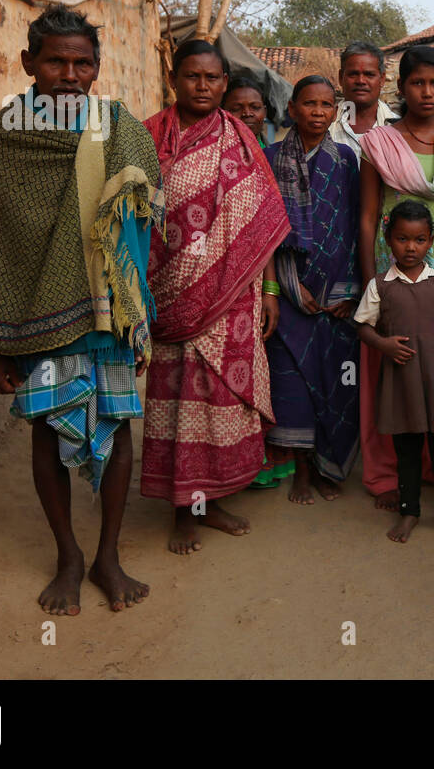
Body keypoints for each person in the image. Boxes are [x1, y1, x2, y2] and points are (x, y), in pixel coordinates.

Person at [0, 4, 163, 614]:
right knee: (47, 432)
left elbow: (143, 212)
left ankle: (107, 553)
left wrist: (132, 312)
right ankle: (67, 555)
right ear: (29, 63)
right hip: (37, 321)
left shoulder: (116, 127)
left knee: (118, 424)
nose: (70, 74)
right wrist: (1, 340)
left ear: (97, 68)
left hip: (107, 315)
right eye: (56, 61)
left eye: (83, 63)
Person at [140, 39, 291, 553]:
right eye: (192, 76)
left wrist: (269, 288)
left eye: (211, 78)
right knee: (179, 399)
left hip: (232, 298)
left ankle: (214, 499)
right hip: (167, 297)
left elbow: (263, 222)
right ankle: (184, 509)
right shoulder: (147, 138)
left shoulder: (241, 141)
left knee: (223, 398)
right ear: (174, 79)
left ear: (225, 84)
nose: (201, 86)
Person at [357, 45, 434, 509]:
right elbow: (367, 217)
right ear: (401, 88)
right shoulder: (379, 144)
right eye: (417, 83)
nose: (427, 92)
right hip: (393, 270)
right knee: (393, 367)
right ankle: (388, 473)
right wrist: (373, 281)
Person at [259, 75, 362, 503]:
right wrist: (285, 286)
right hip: (288, 290)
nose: (318, 112)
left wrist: (346, 291)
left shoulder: (345, 161)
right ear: (293, 109)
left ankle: (327, 466)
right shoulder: (267, 158)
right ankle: (301, 470)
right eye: (309, 104)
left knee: (335, 381)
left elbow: (355, 226)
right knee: (294, 386)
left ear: (335, 111)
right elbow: (265, 231)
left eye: (326, 105)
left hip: (335, 293)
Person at [354, 200, 434, 543]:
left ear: (431, 241)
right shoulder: (380, 285)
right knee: (406, 452)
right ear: (388, 239)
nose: (411, 247)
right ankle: (409, 513)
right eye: (402, 239)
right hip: (401, 380)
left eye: (420, 239)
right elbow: (362, 327)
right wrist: (384, 345)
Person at [328, 41, 399, 163]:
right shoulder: (324, 126)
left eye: (369, 74)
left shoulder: (398, 128)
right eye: (353, 74)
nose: (361, 81)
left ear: (382, 79)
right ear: (341, 77)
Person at [223, 72, 271, 149]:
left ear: (265, 112)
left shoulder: (276, 155)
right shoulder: (210, 154)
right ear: (222, 113)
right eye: (236, 109)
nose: (247, 113)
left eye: (255, 107)